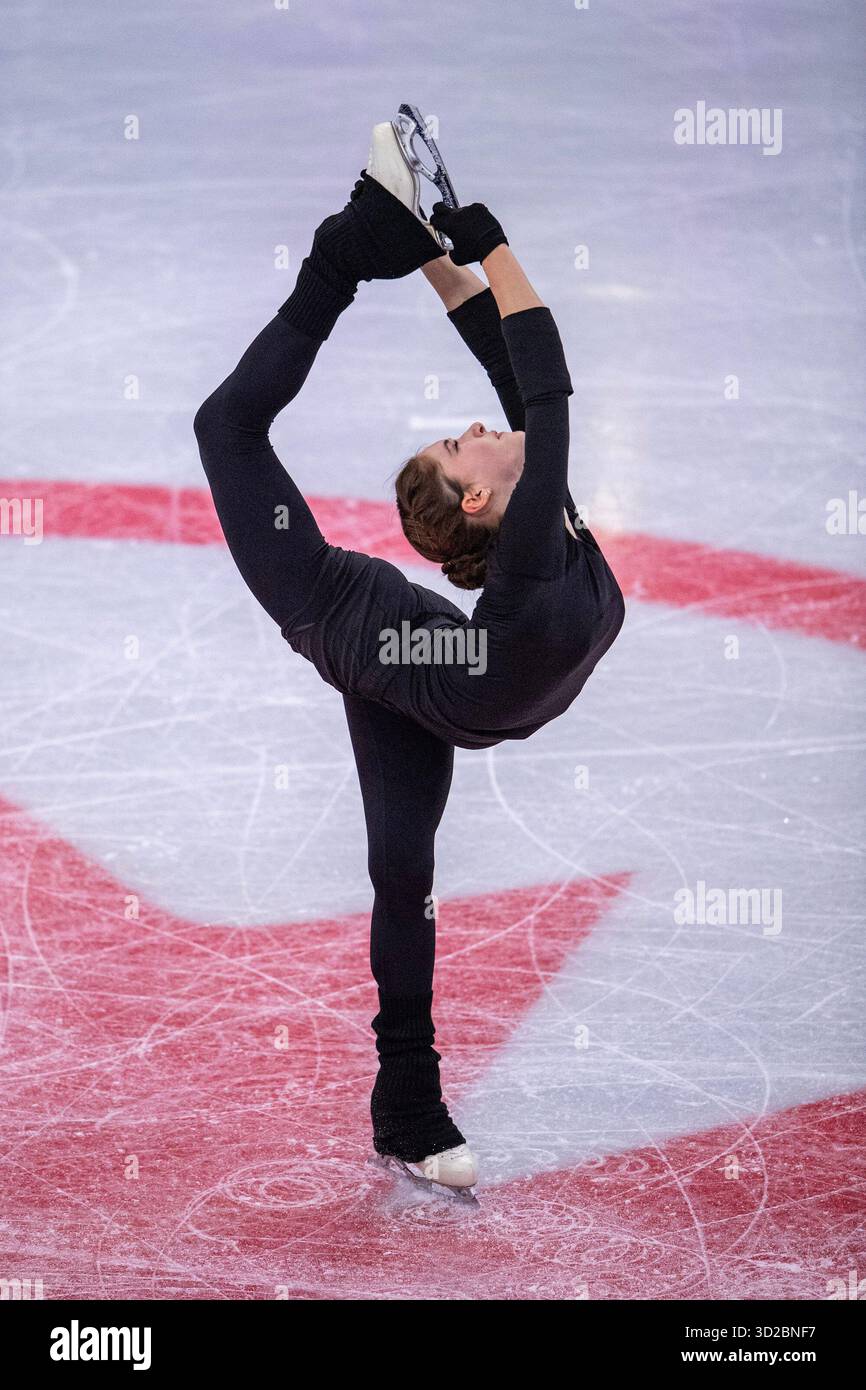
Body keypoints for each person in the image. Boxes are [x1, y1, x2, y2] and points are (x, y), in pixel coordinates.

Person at [193, 123, 625, 1197]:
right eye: (456, 440)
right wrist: (480, 244)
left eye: (454, 437)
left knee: (402, 872)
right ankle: (340, 256)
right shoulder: (530, 541)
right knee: (225, 430)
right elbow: (537, 373)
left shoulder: (539, 529)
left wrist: (444, 243)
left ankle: (402, 1105)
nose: (473, 423)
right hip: (360, 624)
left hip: (423, 667)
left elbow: (518, 368)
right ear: (478, 498)